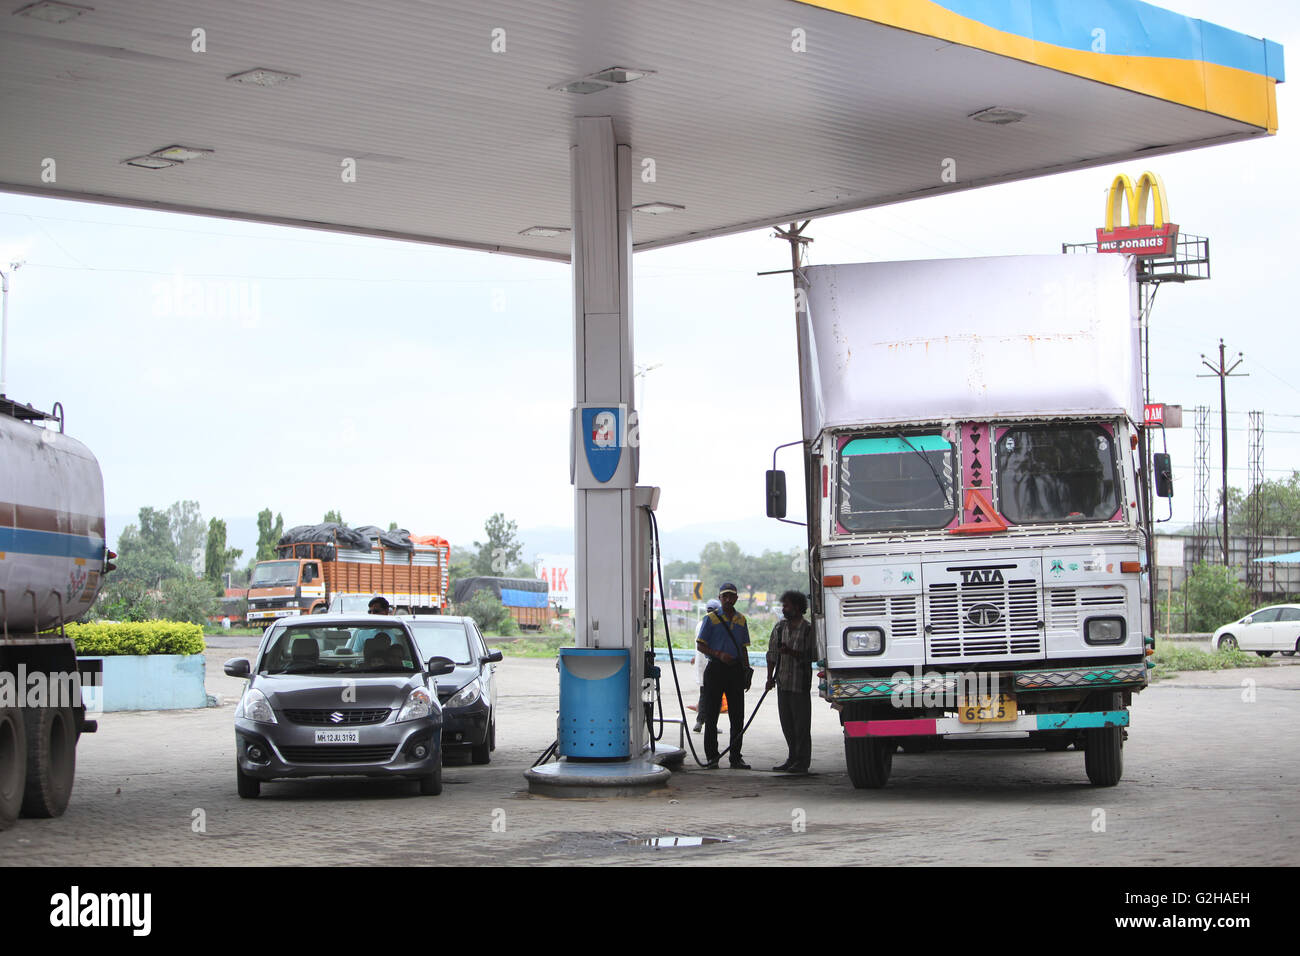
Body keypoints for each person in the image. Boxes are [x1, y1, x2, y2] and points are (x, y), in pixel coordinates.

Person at [696, 583, 751, 770]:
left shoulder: (742, 620)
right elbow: (700, 646)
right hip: (715, 669)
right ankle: (712, 757)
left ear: (736, 598)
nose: (728, 599)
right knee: (711, 716)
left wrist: (746, 669)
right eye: (724, 596)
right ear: (720, 598)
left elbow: (743, 647)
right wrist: (718, 654)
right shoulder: (710, 619)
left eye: (731, 596)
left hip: (735, 671)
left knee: (737, 716)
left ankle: (736, 757)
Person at [766, 590, 816, 773]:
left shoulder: (808, 629)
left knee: (801, 725)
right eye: (783, 605)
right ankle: (792, 758)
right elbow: (771, 654)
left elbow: (812, 656)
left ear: (797, 607)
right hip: (783, 683)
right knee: (787, 724)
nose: (784, 609)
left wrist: (791, 652)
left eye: (786, 605)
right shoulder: (779, 628)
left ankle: (802, 762)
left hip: (799, 684)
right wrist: (769, 678)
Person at [692, 598, 723, 732]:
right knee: (712, 696)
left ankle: (703, 721)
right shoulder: (715, 624)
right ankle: (703, 722)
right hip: (711, 663)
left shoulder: (700, 624)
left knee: (705, 693)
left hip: (701, 663)